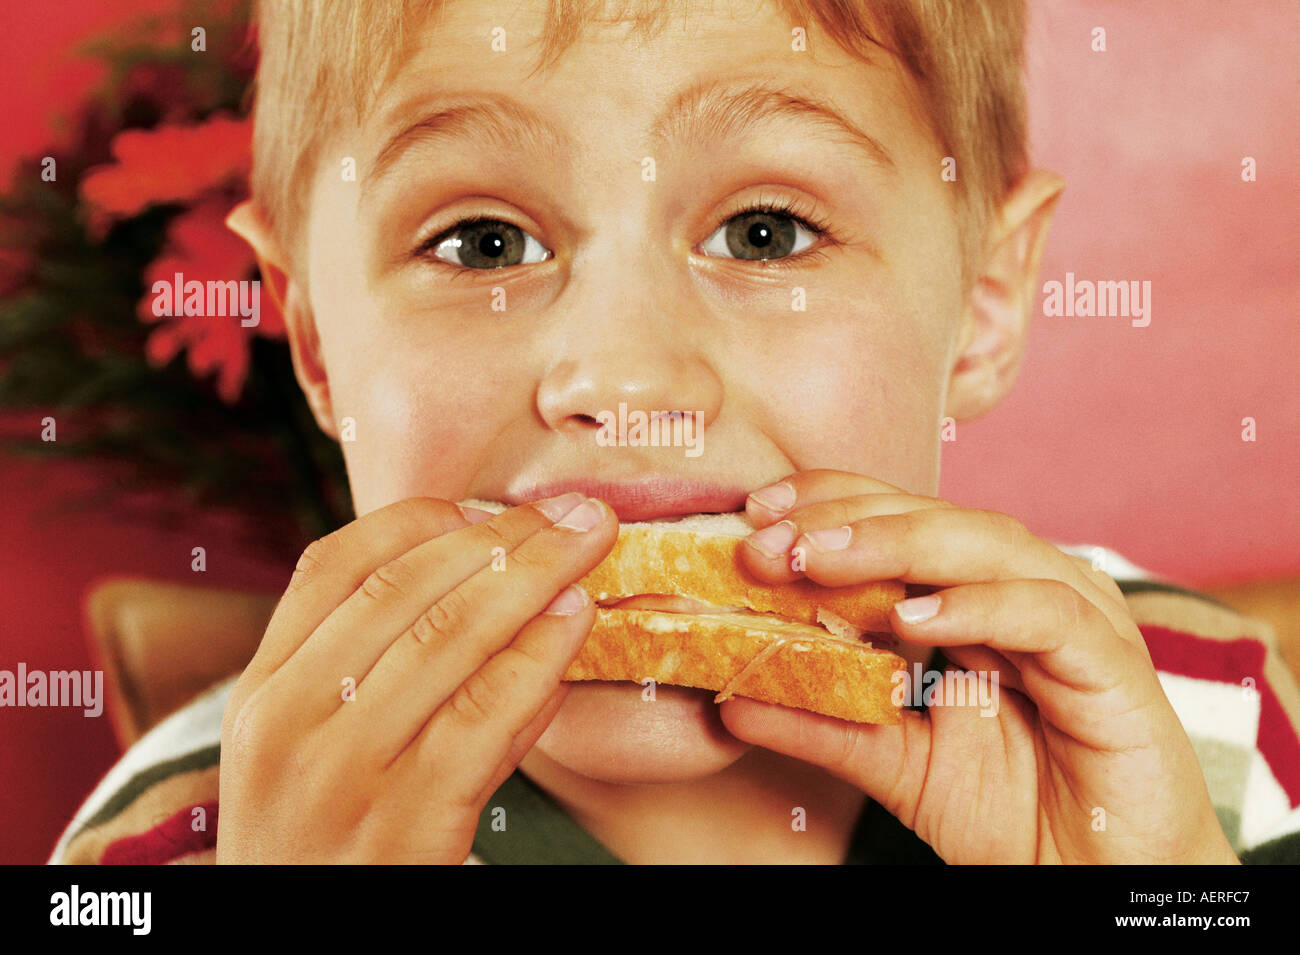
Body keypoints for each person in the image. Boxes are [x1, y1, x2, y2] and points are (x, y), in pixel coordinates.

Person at [51, 0, 1300, 864]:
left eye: (765, 231)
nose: (623, 378)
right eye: (482, 243)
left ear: (978, 306)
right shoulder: (194, 834)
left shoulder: (1197, 722)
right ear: (316, 344)